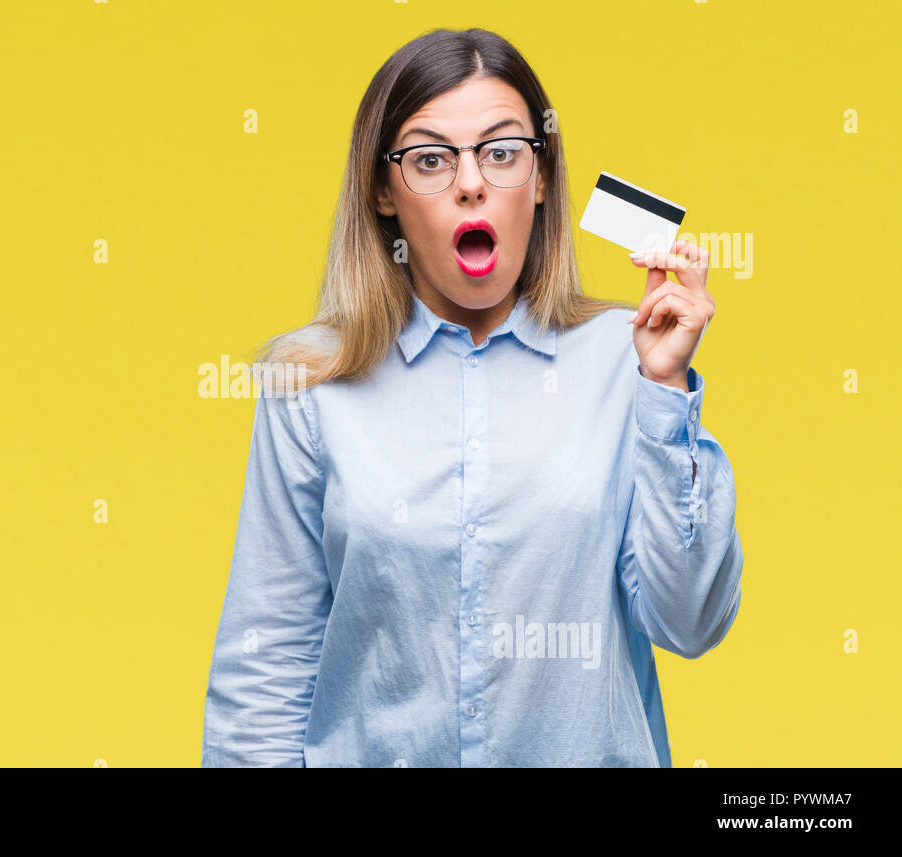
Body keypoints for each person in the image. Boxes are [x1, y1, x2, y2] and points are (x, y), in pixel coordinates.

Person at [200, 27, 742, 767]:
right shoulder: (312, 383)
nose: (470, 182)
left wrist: (666, 390)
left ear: (542, 178)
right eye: (430, 159)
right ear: (384, 193)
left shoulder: (629, 359)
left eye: (501, 151)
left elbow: (692, 621)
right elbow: (265, 666)